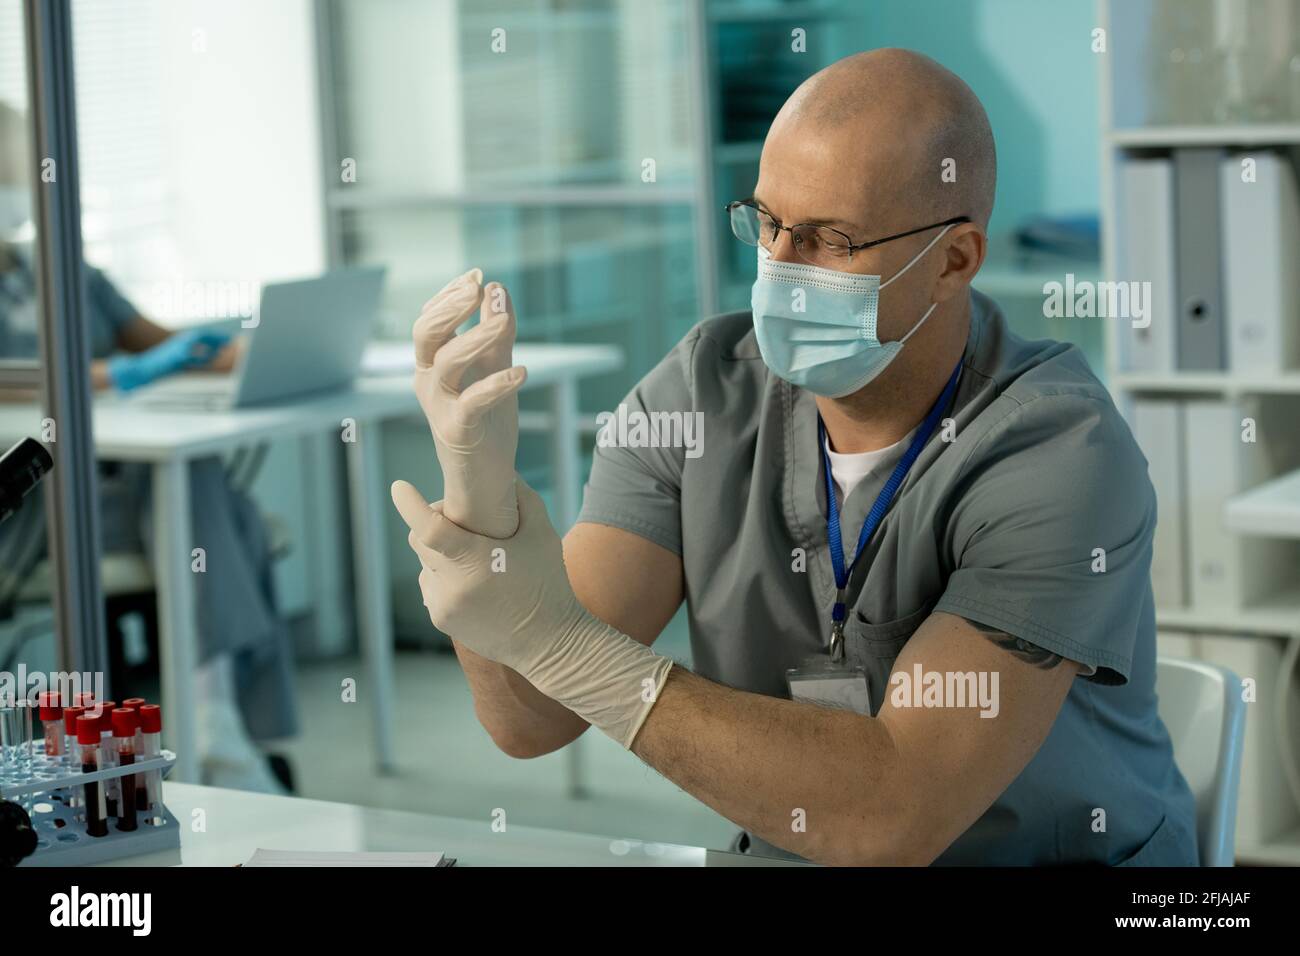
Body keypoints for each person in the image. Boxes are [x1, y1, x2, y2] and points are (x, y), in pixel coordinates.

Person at [391, 49, 1198, 866]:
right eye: (768, 223)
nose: (778, 266)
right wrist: (482, 501)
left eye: (828, 240)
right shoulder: (699, 397)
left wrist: (568, 647)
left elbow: (892, 815)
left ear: (954, 260)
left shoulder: (1057, 448)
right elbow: (529, 719)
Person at [0, 101, 295, 791]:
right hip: (36, 503)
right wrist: (115, 376)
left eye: (16, 169)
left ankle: (217, 721)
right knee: (205, 495)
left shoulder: (58, 267)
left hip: (119, 478)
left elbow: (156, 340)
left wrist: (246, 352)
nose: (16, 185)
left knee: (206, 488)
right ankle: (218, 720)